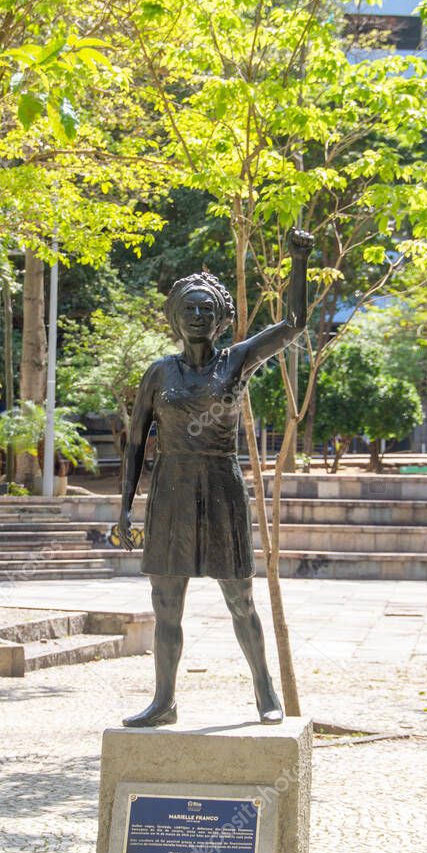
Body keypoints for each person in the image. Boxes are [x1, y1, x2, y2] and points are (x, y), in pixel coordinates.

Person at [119, 229, 314, 727]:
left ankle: (265, 688)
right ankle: (164, 701)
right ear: (175, 316)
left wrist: (299, 261)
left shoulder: (237, 360)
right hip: (171, 491)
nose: (197, 316)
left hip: (221, 487)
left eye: (206, 309)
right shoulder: (159, 374)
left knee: (240, 597)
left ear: (221, 318)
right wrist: (124, 507)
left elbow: (294, 324)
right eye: (189, 308)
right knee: (166, 603)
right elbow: (136, 443)